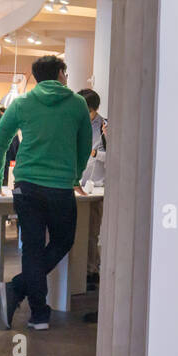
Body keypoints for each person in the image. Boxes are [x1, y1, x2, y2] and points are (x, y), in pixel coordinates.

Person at [0, 55, 92, 331]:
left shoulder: (21, 103)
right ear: (61, 73)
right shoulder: (77, 103)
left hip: (26, 184)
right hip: (60, 186)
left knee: (31, 247)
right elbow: (84, 145)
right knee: (63, 240)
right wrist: (75, 176)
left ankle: (37, 312)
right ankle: (19, 292)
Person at [77, 89, 106, 291]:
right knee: (79, 231)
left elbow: (112, 155)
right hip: (78, 184)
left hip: (97, 186)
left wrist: (94, 152)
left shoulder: (106, 126)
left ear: (92, 109)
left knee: (92, 232)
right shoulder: (77, 124)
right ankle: (83, 270)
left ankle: (91, 270)